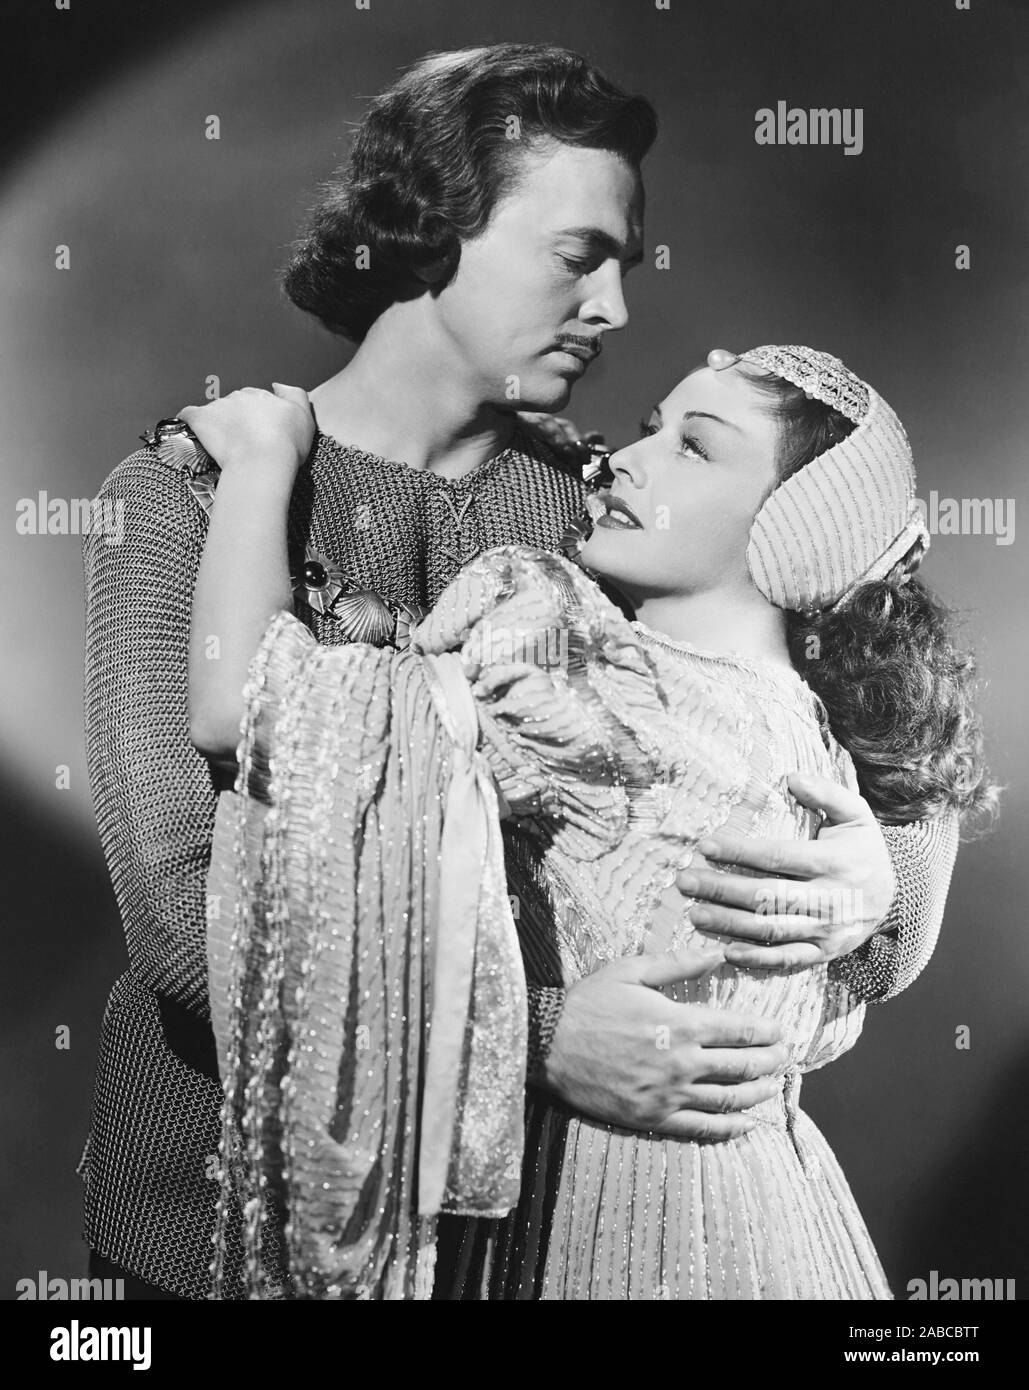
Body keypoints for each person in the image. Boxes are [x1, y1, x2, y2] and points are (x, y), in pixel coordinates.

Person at [81, 44, 947, 1301]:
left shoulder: (614, 520)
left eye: (624, 266)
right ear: (430, 229)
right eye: (577, 255)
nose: (616, 310)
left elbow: (864, 698)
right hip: (212, 1233)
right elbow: (182, 923)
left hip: (524, 1246)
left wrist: (873, 864)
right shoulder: (184, 497)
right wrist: (544, 1038)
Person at [189, 344, 994, 1300]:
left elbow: (245, 707)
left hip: (583, 1206)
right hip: (766, 1207)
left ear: (797, 532)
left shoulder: (577, 668)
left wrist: (258, 458)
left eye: (694, 448)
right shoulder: (811, 728)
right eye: (653, 426)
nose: (626, 458)